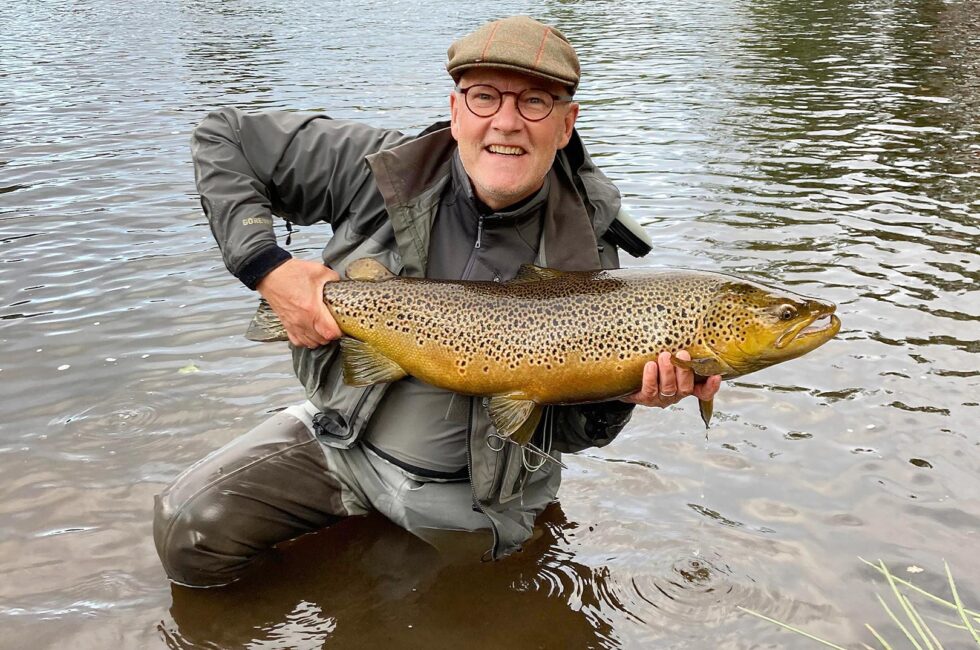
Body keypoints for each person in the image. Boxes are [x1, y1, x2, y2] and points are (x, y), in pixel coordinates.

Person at [154, 15, 722, 588]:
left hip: (480, 497)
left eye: (535, 103)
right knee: (188, 531)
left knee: (447, 614)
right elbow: (223, 136)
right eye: (484, 97)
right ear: (455, 110)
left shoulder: (589, 251)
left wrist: (619, 394)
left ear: (566, 124)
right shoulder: (376, 168)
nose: (506, 121)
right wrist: (265, 267)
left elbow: (568, 433)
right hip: (343, 442)